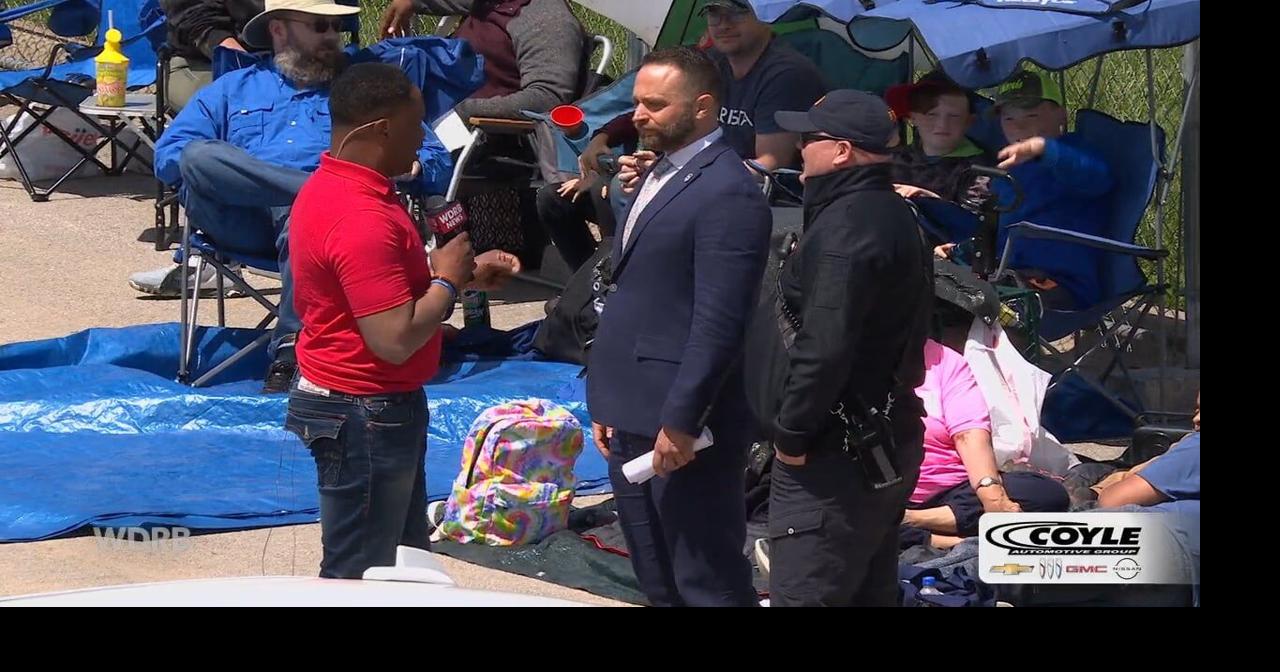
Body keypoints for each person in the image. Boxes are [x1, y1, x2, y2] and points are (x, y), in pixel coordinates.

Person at [130, 0, 454, 393]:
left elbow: (436, 158)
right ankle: (317, 190)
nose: (332, 36)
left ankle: (290, 346)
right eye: (319, 26)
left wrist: (413, 166)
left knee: (302, 209)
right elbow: (168, 158)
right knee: (198, 155)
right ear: (278, 30)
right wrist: (314, 187)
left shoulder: (361, 92)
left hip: (327, 229)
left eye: (336, 27)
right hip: (240, 222)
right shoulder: (234, 87)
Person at [586, 47, 771, 607]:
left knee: (704, 579)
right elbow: (642, 282)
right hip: (633, 407)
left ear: (703, 108)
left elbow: (719, 320)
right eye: (637, 101)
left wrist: (682, 420)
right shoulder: (662, 173)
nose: (638, 115)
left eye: (655, 105)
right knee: (656, 577)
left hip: (682, 424)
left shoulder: (728, 192)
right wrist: (611, 401)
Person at [285, 62, 478, 578]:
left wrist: (464, 275)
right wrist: (447, 282)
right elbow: (393, 339)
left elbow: (373, 288)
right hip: (365, 410)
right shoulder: (362, 218)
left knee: (399, 563)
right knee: (363, 573)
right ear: (383, 129)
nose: (423, 138)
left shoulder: (334, 186)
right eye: (417, 124)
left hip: (355, 402)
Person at [745, 89, 932, 607]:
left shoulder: (848, 227)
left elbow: (826, 343)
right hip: (878, 437)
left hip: (834, 454)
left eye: (809, 138)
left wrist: (792, 433)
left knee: (808, 594)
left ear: (842, 151)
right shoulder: (885, 211)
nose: (799, 147)